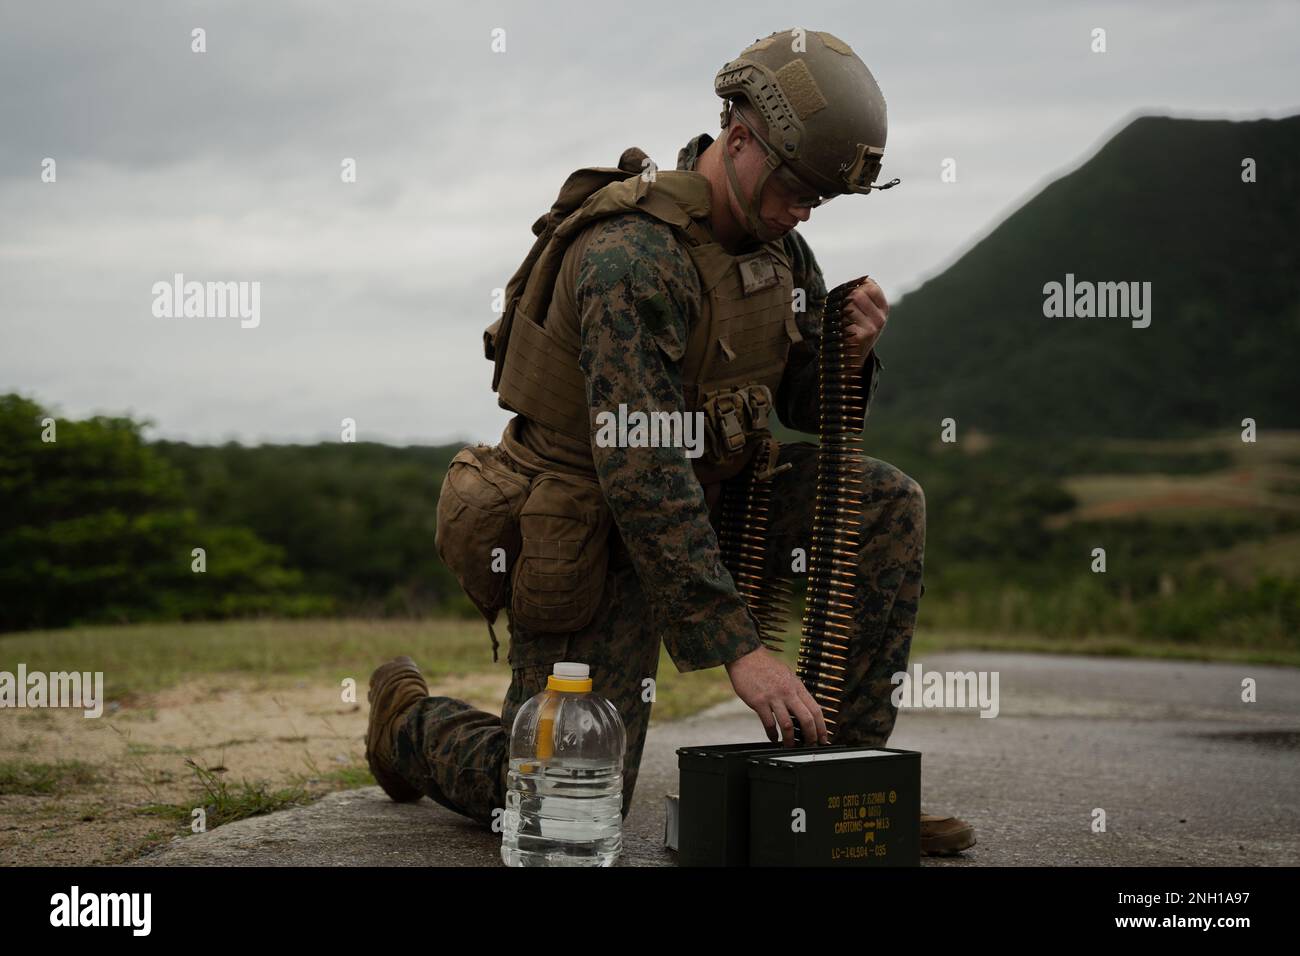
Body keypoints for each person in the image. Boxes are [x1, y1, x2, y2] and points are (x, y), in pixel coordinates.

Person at [366, 28, 975, 856]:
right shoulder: (631, 256)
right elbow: (643, 473)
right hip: (596, 521)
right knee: (565, 797)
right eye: (799, 189)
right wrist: (741, 651)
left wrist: (849, 354)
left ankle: (847, 784)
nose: (806, 211)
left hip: (718, 499)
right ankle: (408, 725)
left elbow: (797, 399)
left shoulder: (778, 244)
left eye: (822, 201)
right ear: (738, 141)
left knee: (883, 501)